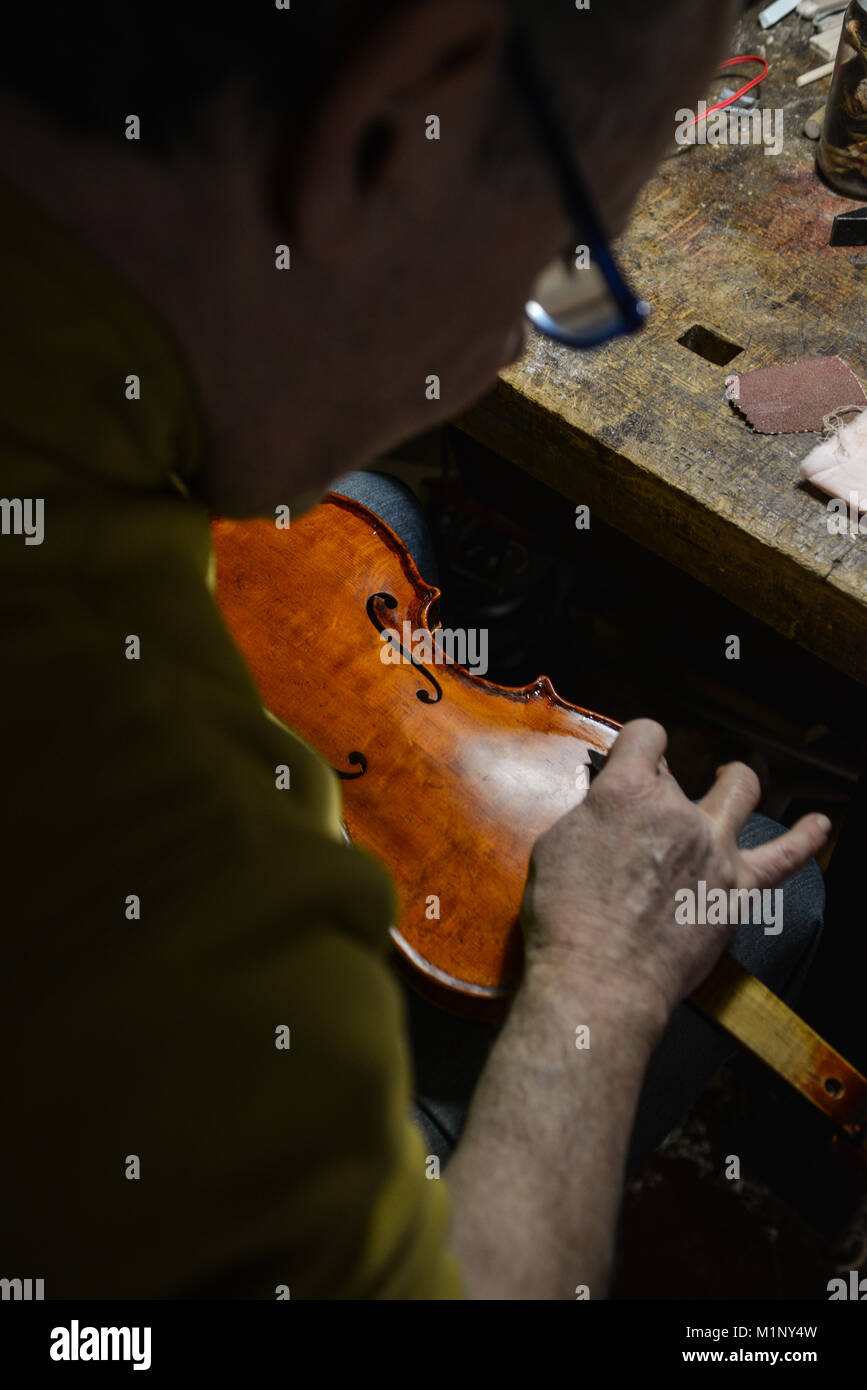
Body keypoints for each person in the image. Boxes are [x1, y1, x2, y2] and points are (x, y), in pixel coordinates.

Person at [0, 0, 828, 1300]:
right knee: (771, 904)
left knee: (372, 513)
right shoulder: (123, 766)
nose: (503, 350)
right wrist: (599, 978)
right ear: (394, 127)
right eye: (559, 255)